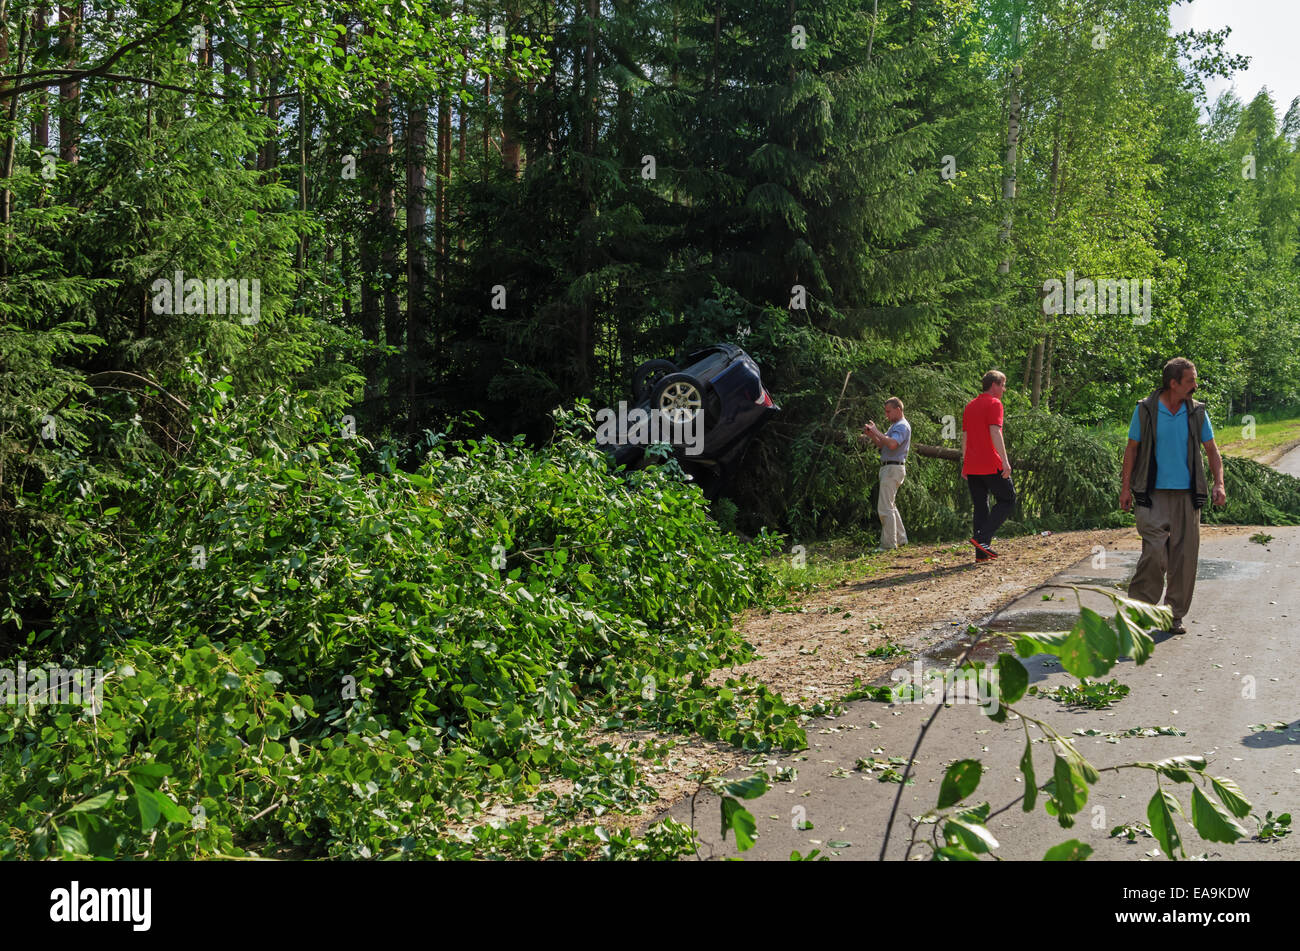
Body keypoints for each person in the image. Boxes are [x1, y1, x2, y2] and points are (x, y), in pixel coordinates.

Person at [1119, 357, 1226, 635]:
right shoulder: (1145, 410)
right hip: (1151, 494)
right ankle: (1141, 612)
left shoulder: (1197, 412)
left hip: (1187, 496)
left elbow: (1212, 451)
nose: (1195, 385)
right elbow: (1131, 450)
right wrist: (1125, 488)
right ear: (1173, 383)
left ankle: (1173, 615)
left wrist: (1219, 483)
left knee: (1184, 557)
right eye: (1190, 380)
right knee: (1154, 554)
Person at [961, 370, 1014, 562]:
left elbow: (965, 436)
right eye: (1003, 385)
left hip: (973, 465)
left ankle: (981, 555)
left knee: (981, 507)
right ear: (995, 384)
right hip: (990, 463)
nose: (1004, 389)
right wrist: (1005, 461)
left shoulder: (970, 406)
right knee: (1008, 499)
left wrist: (965, 462)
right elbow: (995, 432)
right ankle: (982, 539)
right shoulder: (994, 403)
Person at [863, 397, 911, 551]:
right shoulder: (895, 426)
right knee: (890, 505)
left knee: (884, 508)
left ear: (898, 409)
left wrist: (877, 431)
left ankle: (888, 544)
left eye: (888, 412)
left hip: (892, 468)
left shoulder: (902, 426)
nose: (886, 415)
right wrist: (872, 435)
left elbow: (892, 444)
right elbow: (882, 443)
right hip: (890, 468)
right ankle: (901, 538)